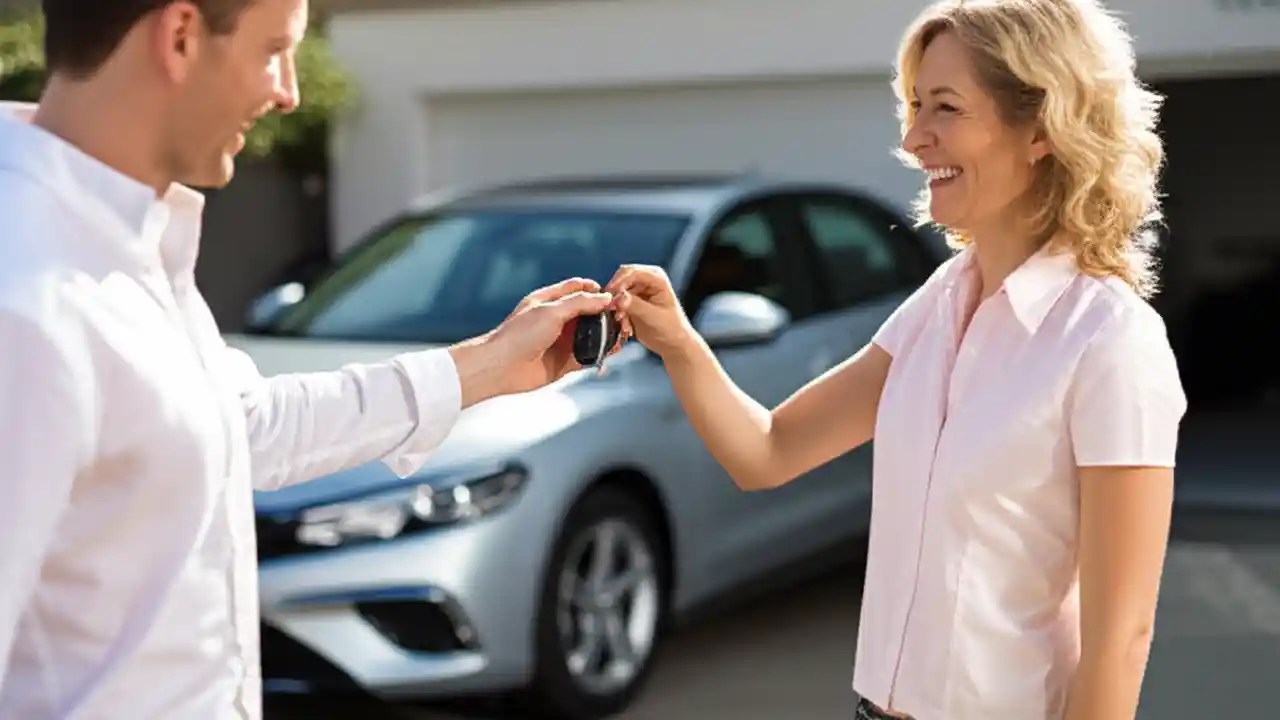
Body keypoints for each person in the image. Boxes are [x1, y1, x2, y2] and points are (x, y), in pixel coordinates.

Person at [0, 1, 619, 718]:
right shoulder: (26, 299)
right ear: (179, 36)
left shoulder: (119, 247)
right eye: (272, 51)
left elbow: (249, 428)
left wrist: (486, 366)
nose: (288, 91)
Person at [606, 0, 1186, 718]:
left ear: (1041, 126)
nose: (915, 139)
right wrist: (680, 342)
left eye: (945, 107)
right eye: (914, 107)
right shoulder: (940, 302)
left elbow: (1119, 641)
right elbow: (768, 451)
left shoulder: (1110, 340)